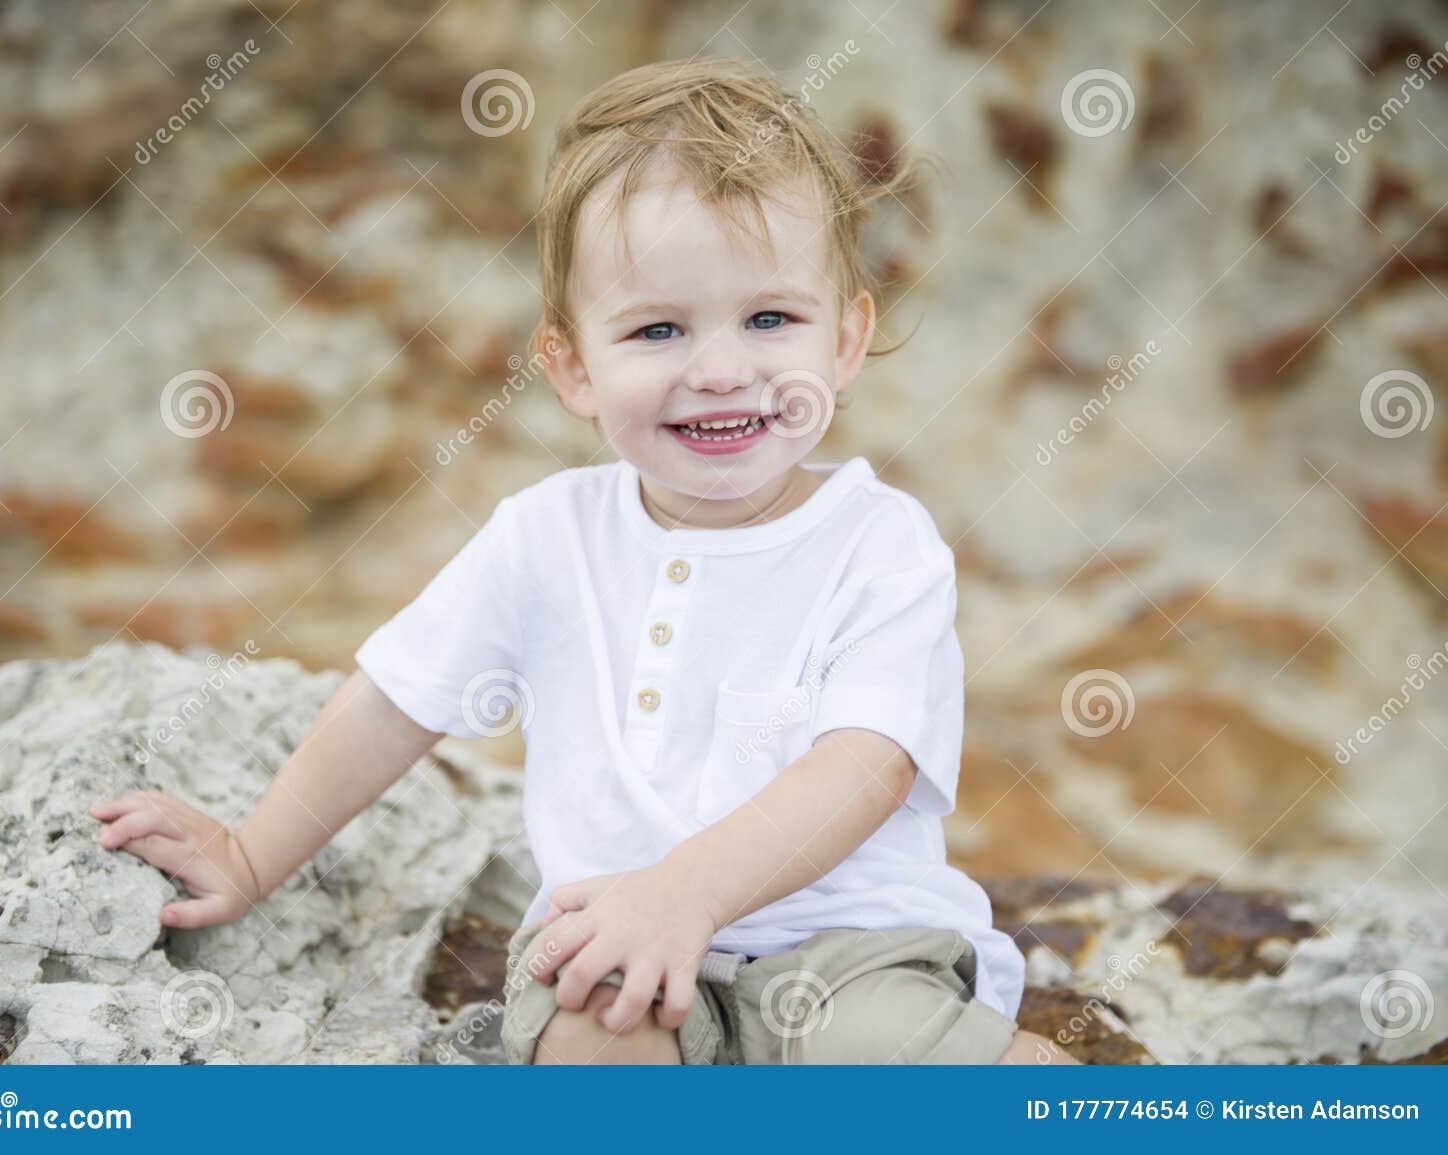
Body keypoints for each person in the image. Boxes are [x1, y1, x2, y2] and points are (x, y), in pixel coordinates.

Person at [92, 56, 1077, 1066]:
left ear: (846, 338)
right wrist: (253, 853)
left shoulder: (878, 542)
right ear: (571, 367)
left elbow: (863, 765)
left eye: (771, 318)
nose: (722, 369)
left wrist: (689, 890)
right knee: (592, 1036)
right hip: (611, 936)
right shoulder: (545, 535)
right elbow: (397, 701)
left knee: (917, 1070)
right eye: (657, 329)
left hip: (847, 951)